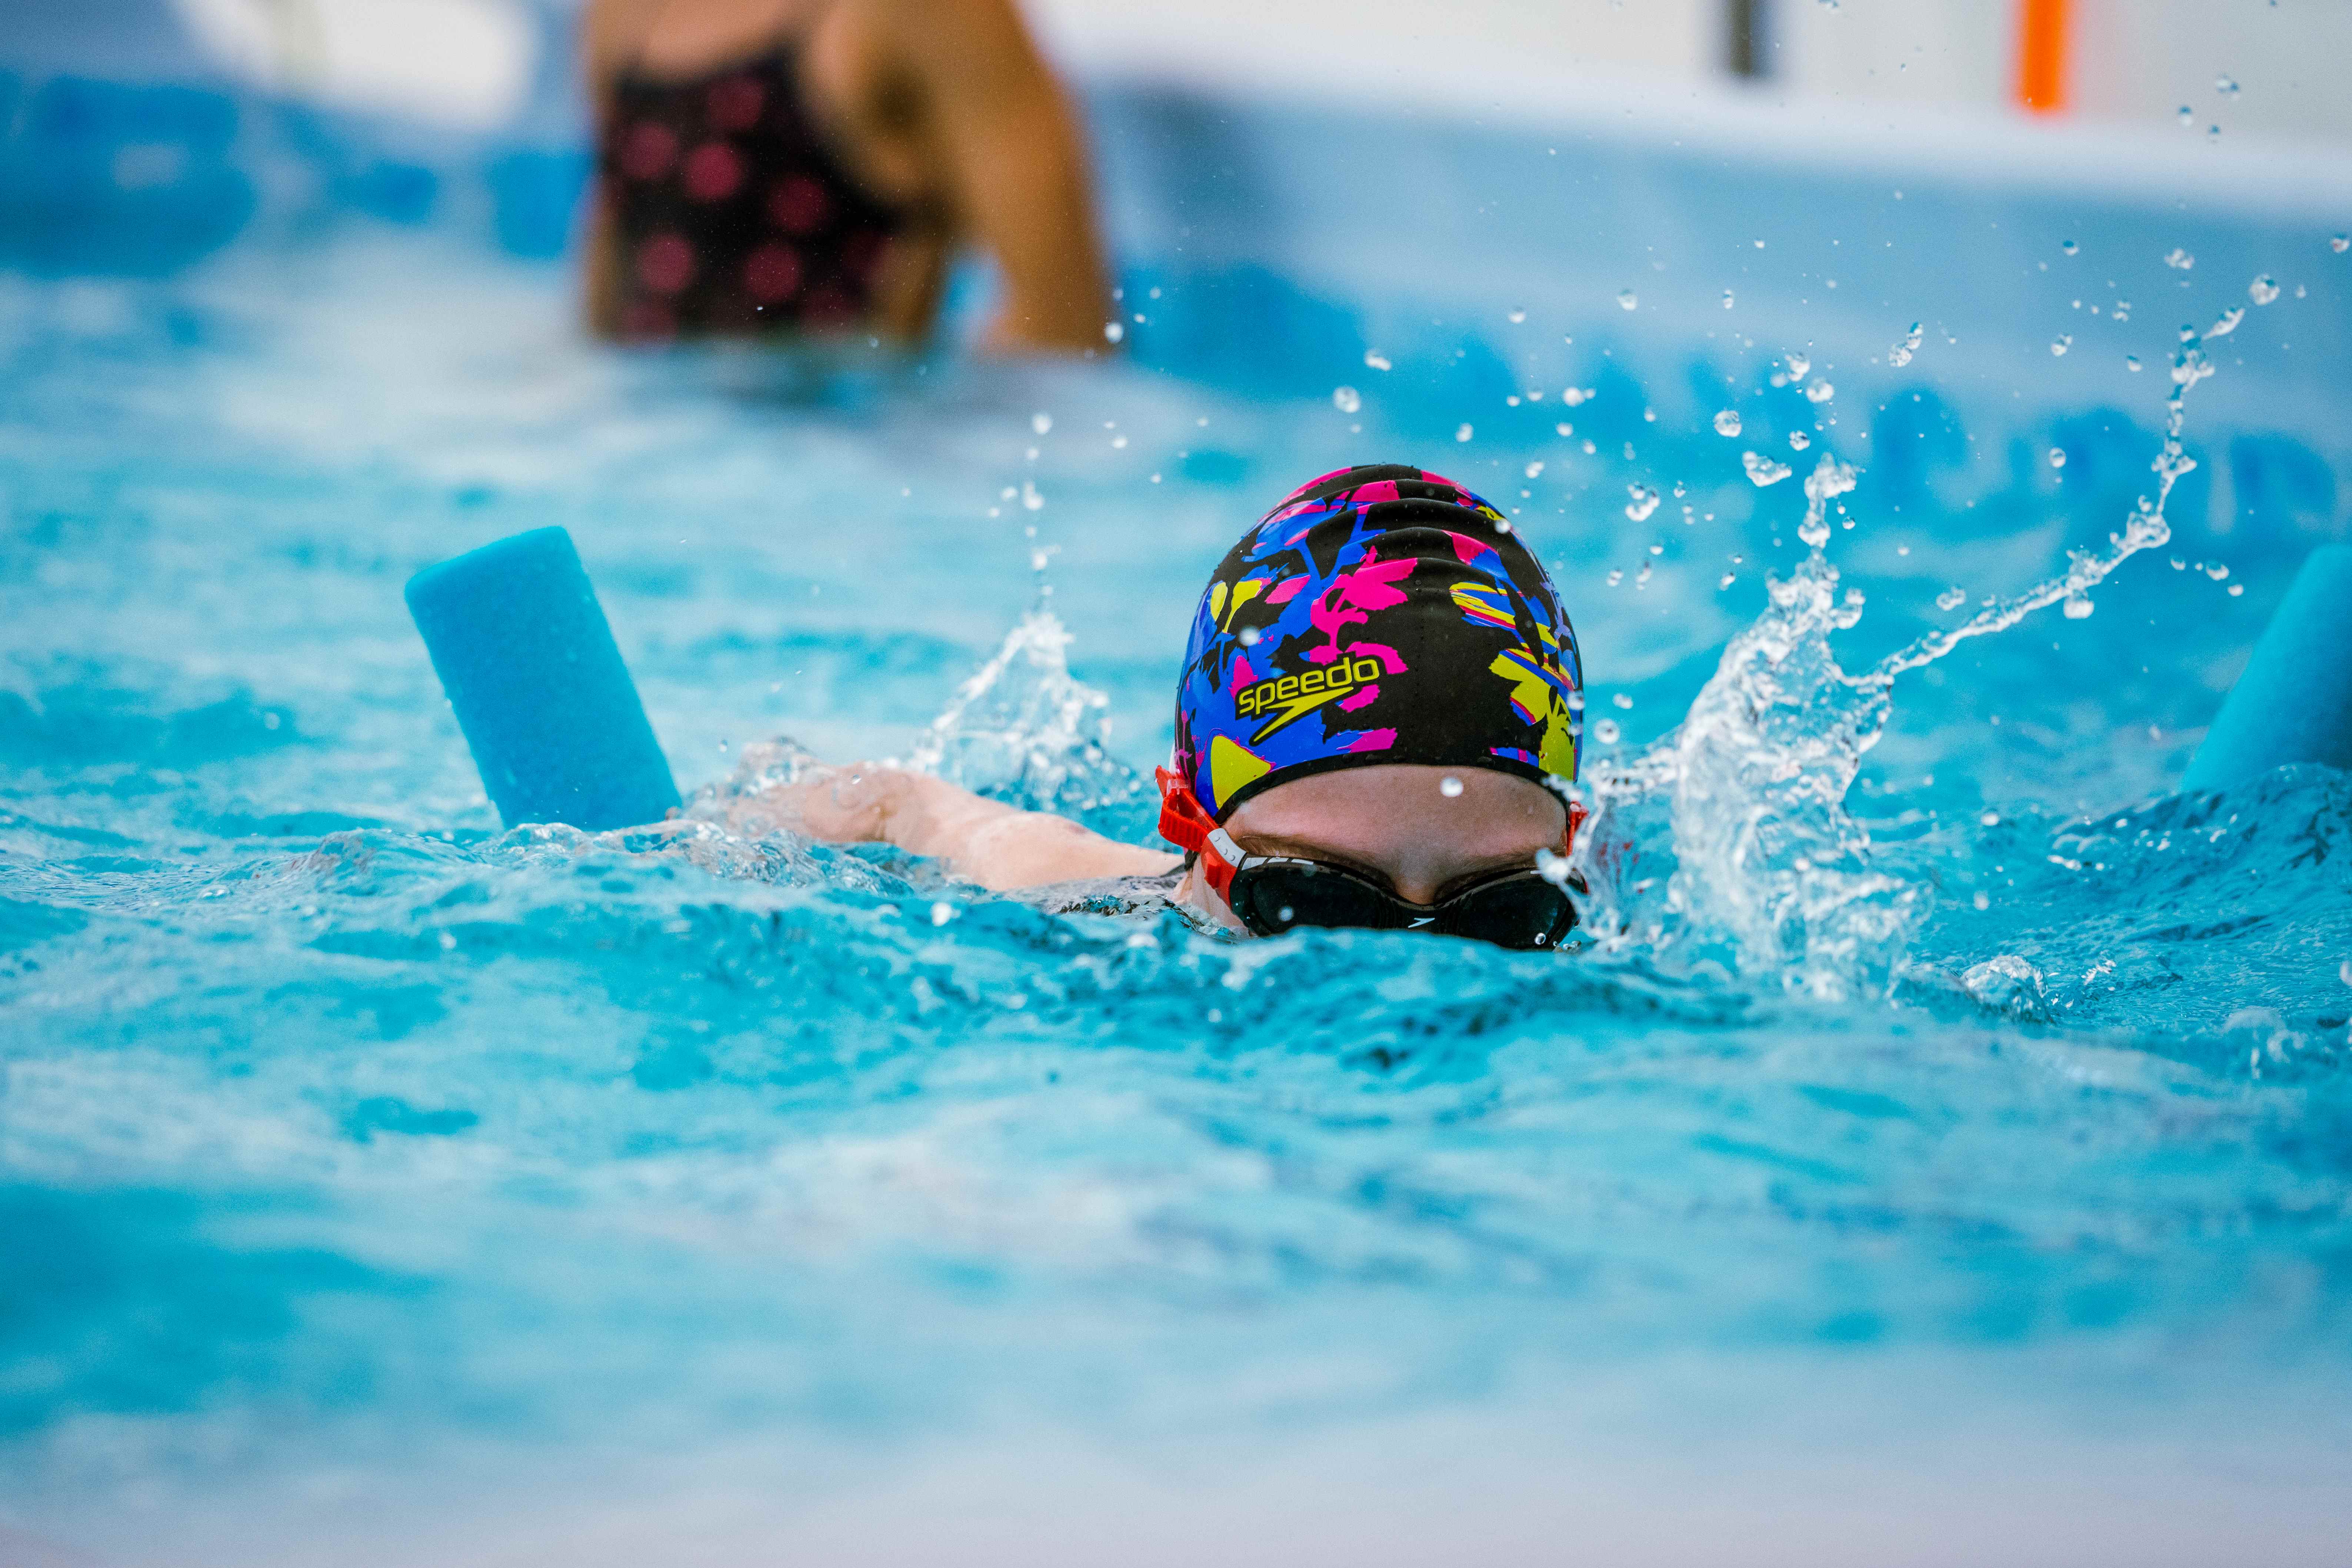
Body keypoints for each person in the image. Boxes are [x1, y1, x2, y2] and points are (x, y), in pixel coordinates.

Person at [728, 465, 1591, 950]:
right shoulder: (1084, 902)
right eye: (1309, 902)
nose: (1411, 974)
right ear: (1188, 826)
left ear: (1569, 852)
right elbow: (900, 803)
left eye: (1502, 915)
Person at [581, 0, 1112, 350]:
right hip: (651, 452)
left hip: (854, 464)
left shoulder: (936, 13)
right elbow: (613, 263)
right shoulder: (623, 13)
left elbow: (1065, 327)